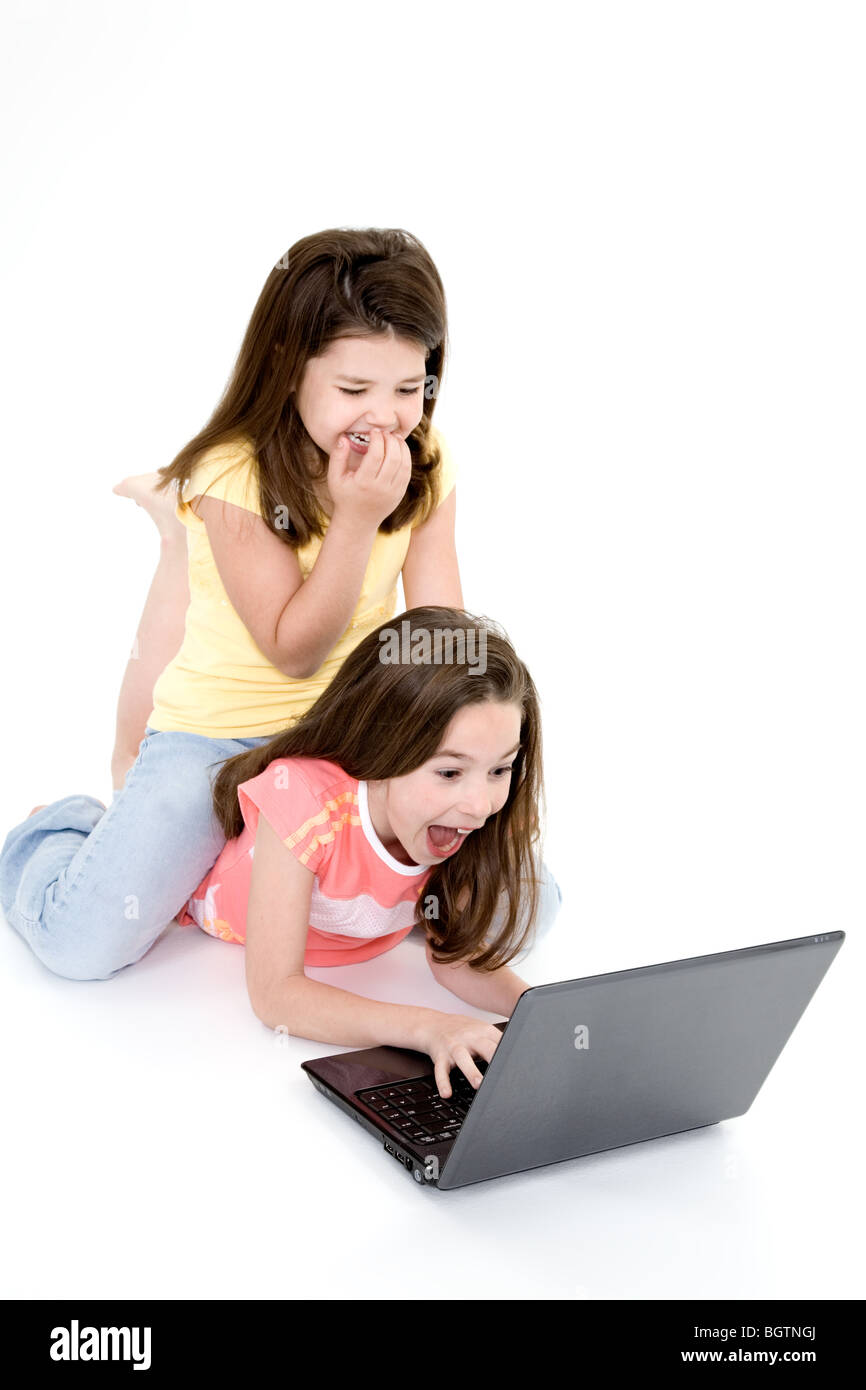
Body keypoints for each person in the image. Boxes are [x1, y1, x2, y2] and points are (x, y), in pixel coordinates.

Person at [0, 228, 465, 981]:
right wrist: (354, 520)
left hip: (351, 735)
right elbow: (294, 649)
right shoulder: (234, 473)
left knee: (524, 903)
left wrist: (449, 755)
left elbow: (438, 633)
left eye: (409, 390)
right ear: (287, 370)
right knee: (83, 947)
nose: (385, 417)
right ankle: (61, 830)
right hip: (218, 745)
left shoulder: (425, 463)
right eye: (354, 391)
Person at [177, 608, 561, 1098]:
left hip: (356, 937)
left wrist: (538, 1010)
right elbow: (276, 996)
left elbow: (454, 958)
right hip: (211, 910)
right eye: (449, 772)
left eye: (500, 770)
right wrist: (427, 1028)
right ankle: (69, 824)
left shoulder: (460, 818)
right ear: (384, 751)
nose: (480, 804)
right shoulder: (302, 799)